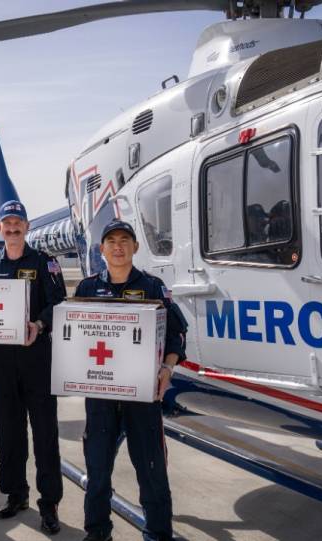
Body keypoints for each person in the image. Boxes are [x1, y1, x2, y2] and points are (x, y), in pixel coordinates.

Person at [74, 219, 188, 541]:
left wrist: (167, 369)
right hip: (100, 398)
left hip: (143, 399)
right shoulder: (86, 289)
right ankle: (97, 533)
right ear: (102, 250)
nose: (118, 246)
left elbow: (178, 334)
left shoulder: (153, 287)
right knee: (97, 473)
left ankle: (157, 535)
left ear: (135, 247)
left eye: (125, 240)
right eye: (111, 241)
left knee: (152, 474)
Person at [0, 200, 66, 535]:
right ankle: (16, 494)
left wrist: (39, 325)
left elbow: (58, 304)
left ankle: (50, 504)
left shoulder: (45, 263)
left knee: (45, 433)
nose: (12, 228)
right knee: (8, 431)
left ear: (27, 227)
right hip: (2, 360)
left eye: (18, 223)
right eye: (6, 223)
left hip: (37, 359)